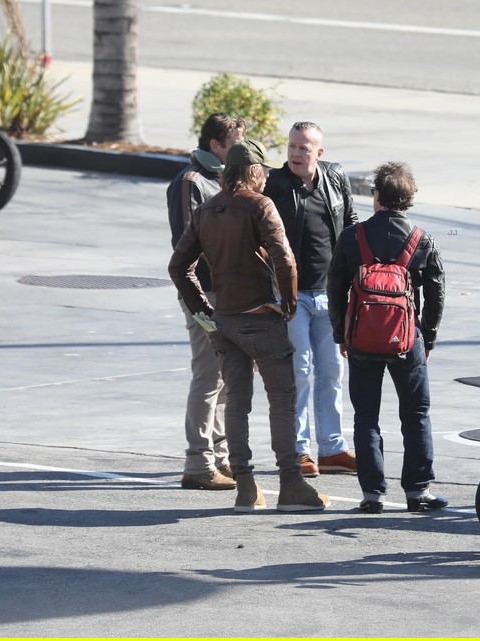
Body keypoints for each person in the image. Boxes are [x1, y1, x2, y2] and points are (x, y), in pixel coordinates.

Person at [169, 139, 329, 513]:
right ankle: (291, 484)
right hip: (259, 317)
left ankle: (245, 486)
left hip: (224, 320)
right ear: (255, 172)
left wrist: (205, 312)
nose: (267, 178)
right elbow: (285, 260)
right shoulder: (260, 205)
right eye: (264, 171)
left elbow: (179, 267)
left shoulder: (207, 210)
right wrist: (287, 306)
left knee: (238, 402)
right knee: (282, 398)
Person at [328, 161, 447, 514]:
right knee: (416, 414)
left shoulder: (353, 237)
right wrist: (428, 338)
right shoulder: (422, 239)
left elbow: (335, 288)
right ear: (409, 198)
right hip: (407, 339)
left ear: (377, 195)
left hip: (362, 338)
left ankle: (373, 495)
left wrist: (341, 334)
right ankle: (418, 491)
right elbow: (437, 294)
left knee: (366, 416)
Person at [264, 121, 358, 480]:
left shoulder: (335, 178)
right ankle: (299, 449)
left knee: (332, 372)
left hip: (330, 295)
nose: (295, 153)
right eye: (292, 146)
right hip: (292, 296)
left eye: (304, 148)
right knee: (299, 372)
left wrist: (355, 280)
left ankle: (332, 449)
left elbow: (350, 226)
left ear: (319, 152)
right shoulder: (275, 184)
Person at [166, 113, 245, 491]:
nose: (241, 150)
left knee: (227, 378)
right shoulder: (191, 182)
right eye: (236, 143)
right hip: (204, 294)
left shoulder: (223, 180)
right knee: (209, 375)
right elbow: (187, 246)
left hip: (227, 292)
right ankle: (198, 462)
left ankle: (220, 456)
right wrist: (203, 300)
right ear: (215, 145)